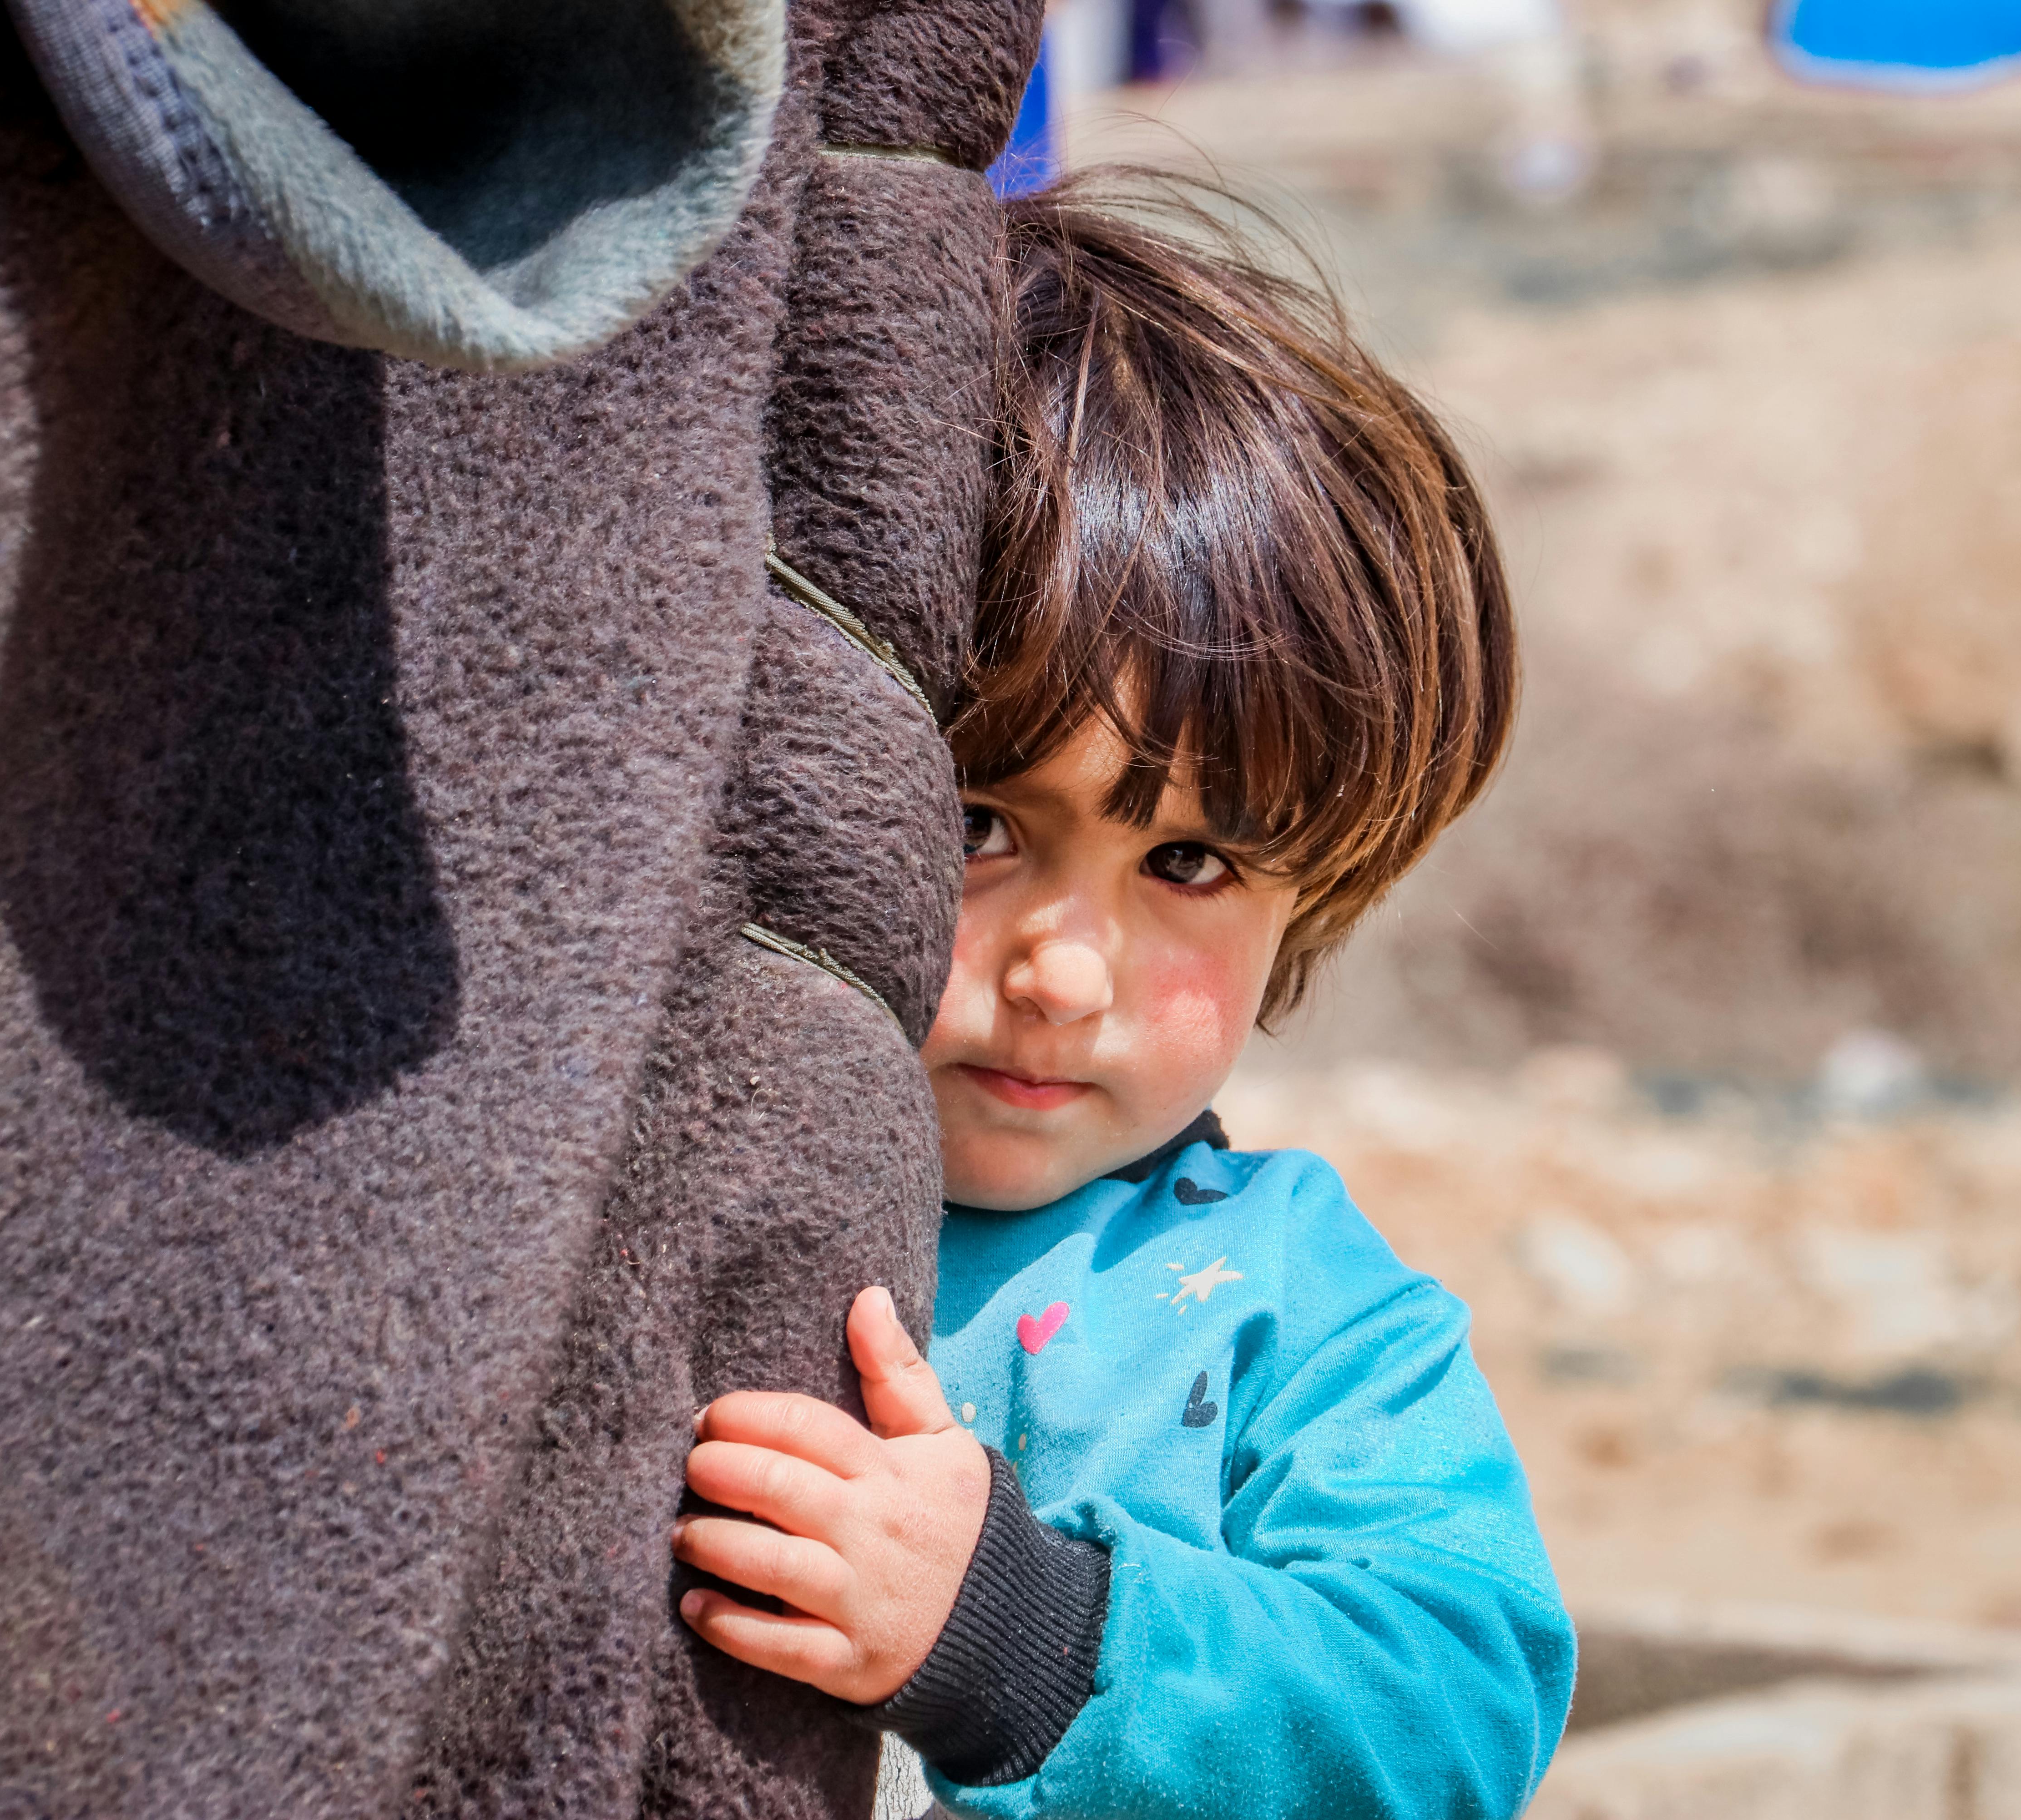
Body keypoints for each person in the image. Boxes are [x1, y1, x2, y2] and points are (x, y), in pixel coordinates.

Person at [669, 171, 1576, 1818]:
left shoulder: (1293, 1309)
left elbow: (1456, 1695)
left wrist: (1020, 1640)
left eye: (1190, 865)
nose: (1064, 975)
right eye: (980, 827)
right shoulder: (665, 1192)